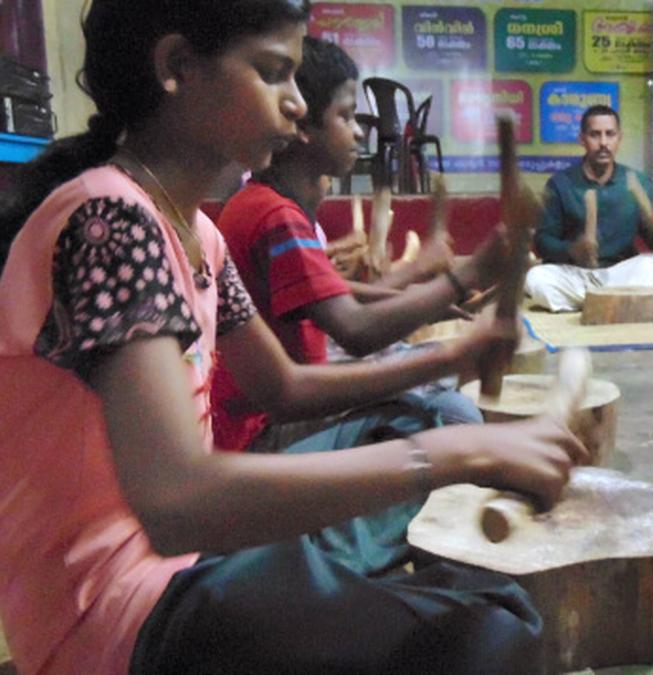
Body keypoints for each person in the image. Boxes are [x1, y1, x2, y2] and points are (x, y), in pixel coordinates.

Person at [0, 2, 585, 673]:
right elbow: (177, 503)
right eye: (272, 73)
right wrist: (460, 450)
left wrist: (449, 356)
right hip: (112, 617)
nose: (294, 106)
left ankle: (319, 577)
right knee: (488, 636)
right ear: (176, 67)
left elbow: (281, 386)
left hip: (182, 564)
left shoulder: (198, 234)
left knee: (491, 603)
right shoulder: (110, 219)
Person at [212, 37, 495, 452]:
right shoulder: (276, 218)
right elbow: (354, 330)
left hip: (261, 417)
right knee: (453, 412)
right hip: (259, 433)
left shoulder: (261, 203)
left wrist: (425, 299)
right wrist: (461, 276)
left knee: (429, 372)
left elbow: (333, 293)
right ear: (304, 127)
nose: (360, 131)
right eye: (346, 116)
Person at [524, 105, 653, 312]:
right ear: (582, 139)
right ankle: (617, 303)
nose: (603, 143)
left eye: (610, 134)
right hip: (576, 275)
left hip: (620, 275)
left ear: (619, 138)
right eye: (595, 135)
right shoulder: (560, 184)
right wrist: (572, 250)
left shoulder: (637, 182)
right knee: (536, 279)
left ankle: (595, 303)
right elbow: (542, 242)